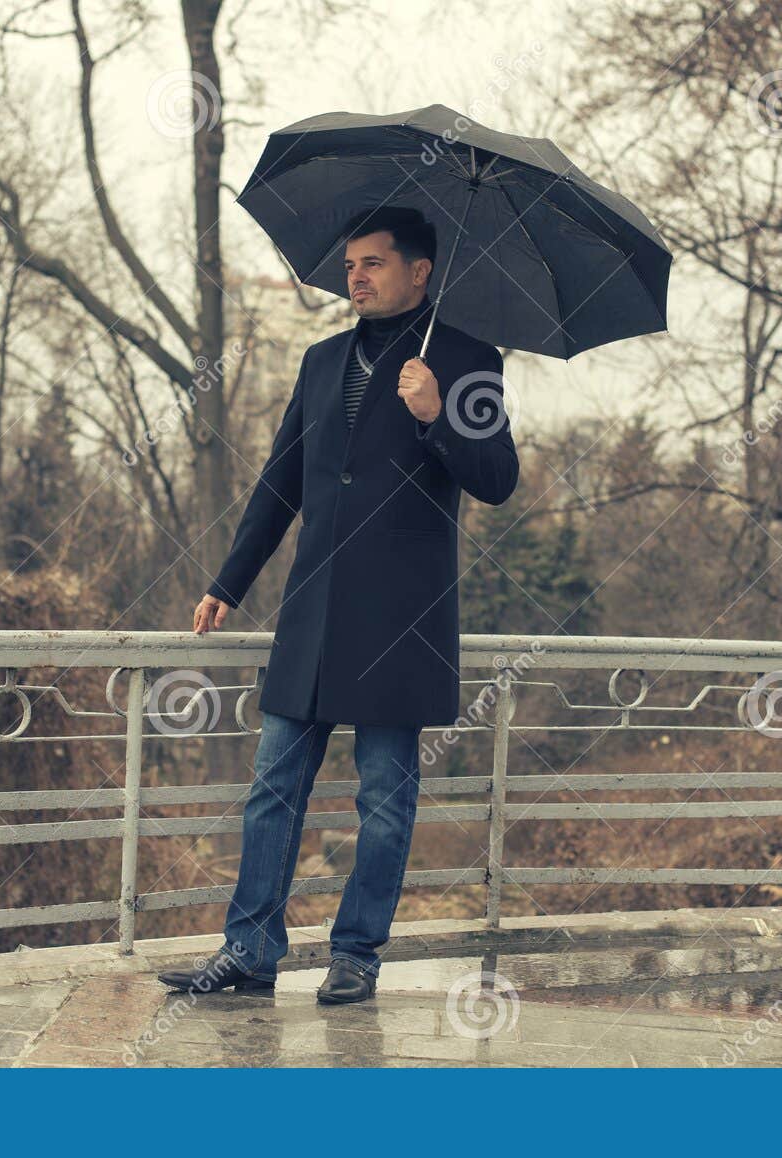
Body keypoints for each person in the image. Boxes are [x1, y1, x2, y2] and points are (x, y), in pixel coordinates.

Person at [159, 205, 519, 1004]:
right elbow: (280, 483)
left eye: (374, 264)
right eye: (350, 265)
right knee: (273, 787)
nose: (355, 277)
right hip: (312, 612)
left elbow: (497, 476)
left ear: (419, 272)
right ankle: (249, 953)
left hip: (404, 620)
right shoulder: (322, 362)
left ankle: (356, 956)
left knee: (384, 800)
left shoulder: (465, 362)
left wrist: (437, 417)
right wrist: (228, 581)